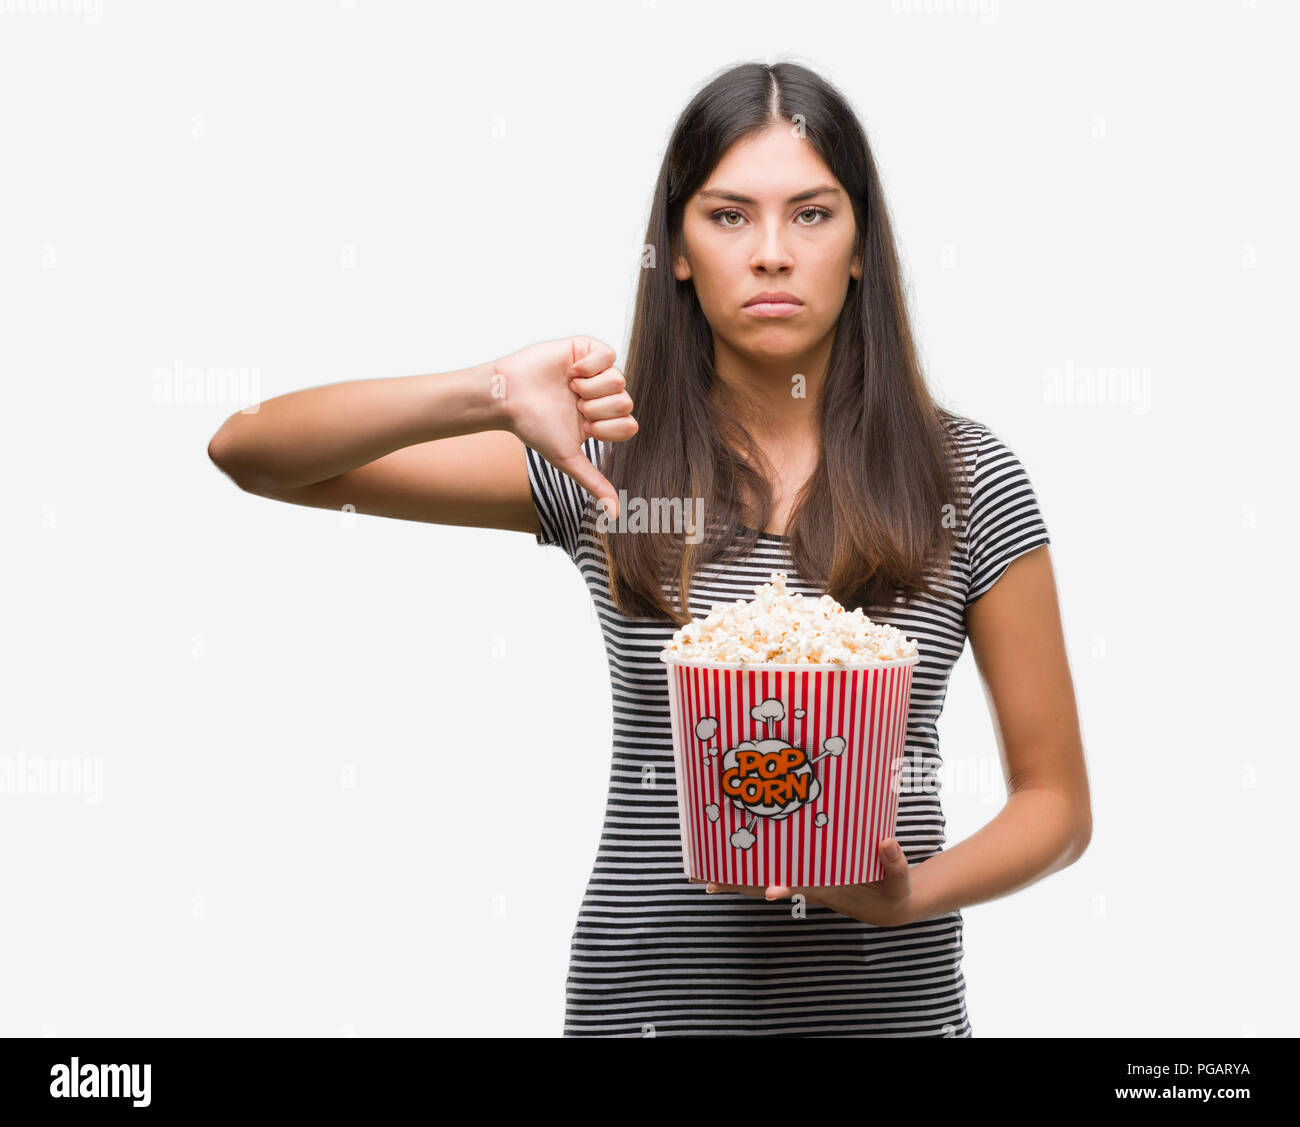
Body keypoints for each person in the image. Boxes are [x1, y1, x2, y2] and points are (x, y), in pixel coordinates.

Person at [208, 60, 1091, 1037]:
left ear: (858, 248)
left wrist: (911, 893)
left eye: (810, 214)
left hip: (891, 1012)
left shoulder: (964, 477)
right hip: (647, 1009)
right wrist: (491, 390)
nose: (769, 253)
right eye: (726, 216)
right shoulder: (604, 467)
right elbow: (252, 451)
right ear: (673, 246)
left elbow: (1054, 802)